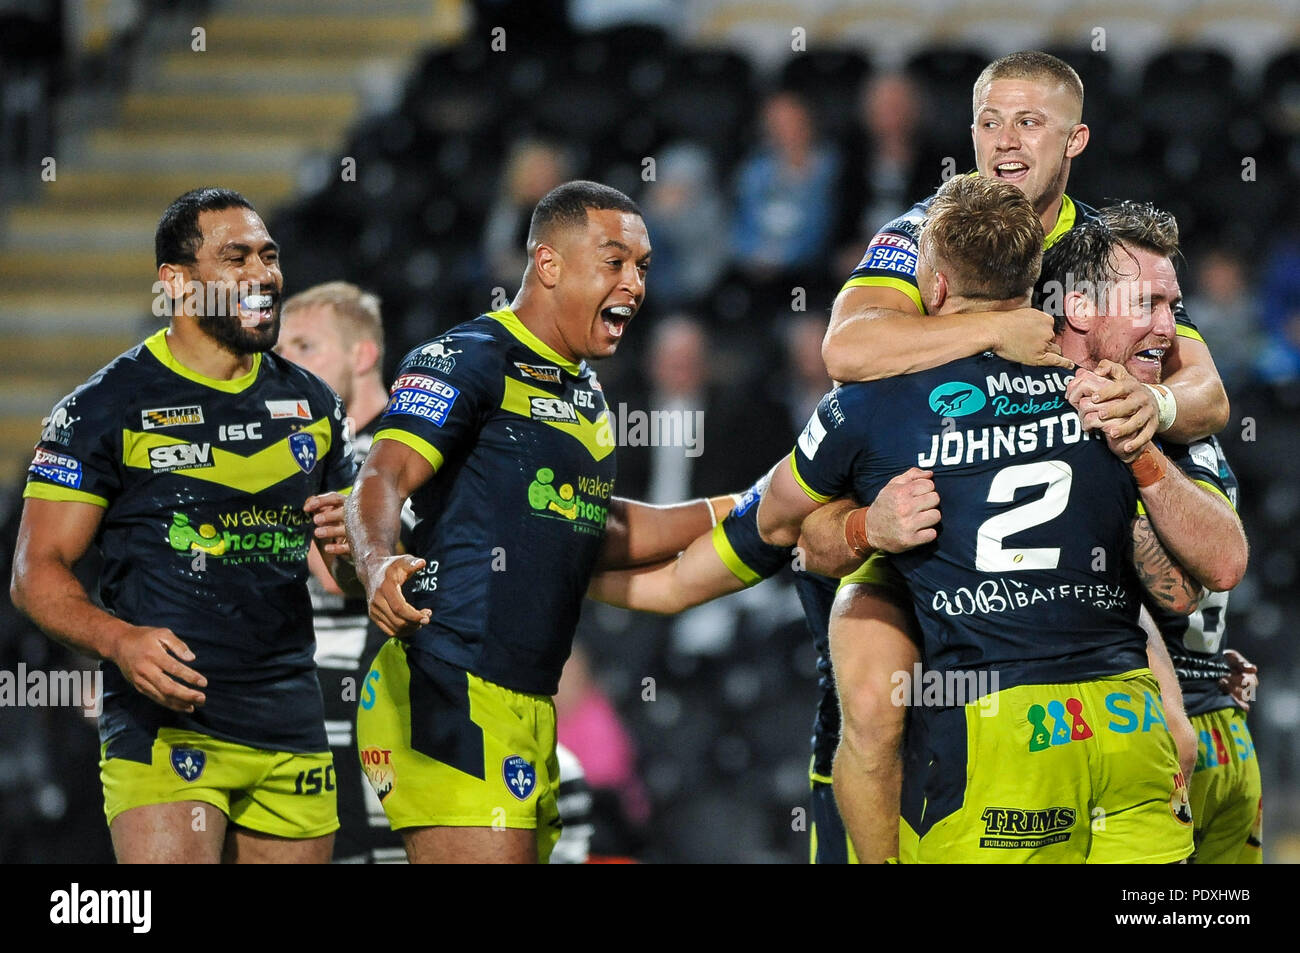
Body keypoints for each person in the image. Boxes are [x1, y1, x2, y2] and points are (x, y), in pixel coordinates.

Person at [810, 49, 1233, 863]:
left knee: (1163, 709)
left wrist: (1155, 405)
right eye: (989, 120)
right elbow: (847, 346)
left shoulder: (1102, 249)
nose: (1005, 140)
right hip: (928, 507)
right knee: (870, 701)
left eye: (1028, 121)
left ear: (1075, 140)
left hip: (1065, 531)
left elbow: (1207, 385)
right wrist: (992, 328)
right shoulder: (928, 229)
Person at [344, 180, 738, 863]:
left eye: (643, 267)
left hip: (529, 701)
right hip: (449, 684)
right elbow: (380, 475)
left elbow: (595, 527)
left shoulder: (583, 389)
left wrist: (741, 506)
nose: (634, 283)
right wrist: (377, 561)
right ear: (548, 264)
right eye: (614, 261)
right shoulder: (469, 357)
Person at [10, 187, 357, 863]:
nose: (263, 273)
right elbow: (34, 572)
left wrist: (360, 554)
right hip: (165, 724)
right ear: (177, 285)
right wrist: (118, 640)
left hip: (288, 714)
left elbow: (343, 574)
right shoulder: (102, 408)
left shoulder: (312, 403)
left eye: (269, 255)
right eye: (236, 257)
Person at [274, 280, 406, 863]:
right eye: (279, 352)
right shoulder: (304, 450)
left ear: (362, 354)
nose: (285, 364)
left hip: (381, 710)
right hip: (300, 709)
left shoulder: (401, 454)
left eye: (305, 347)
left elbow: (339, 573)